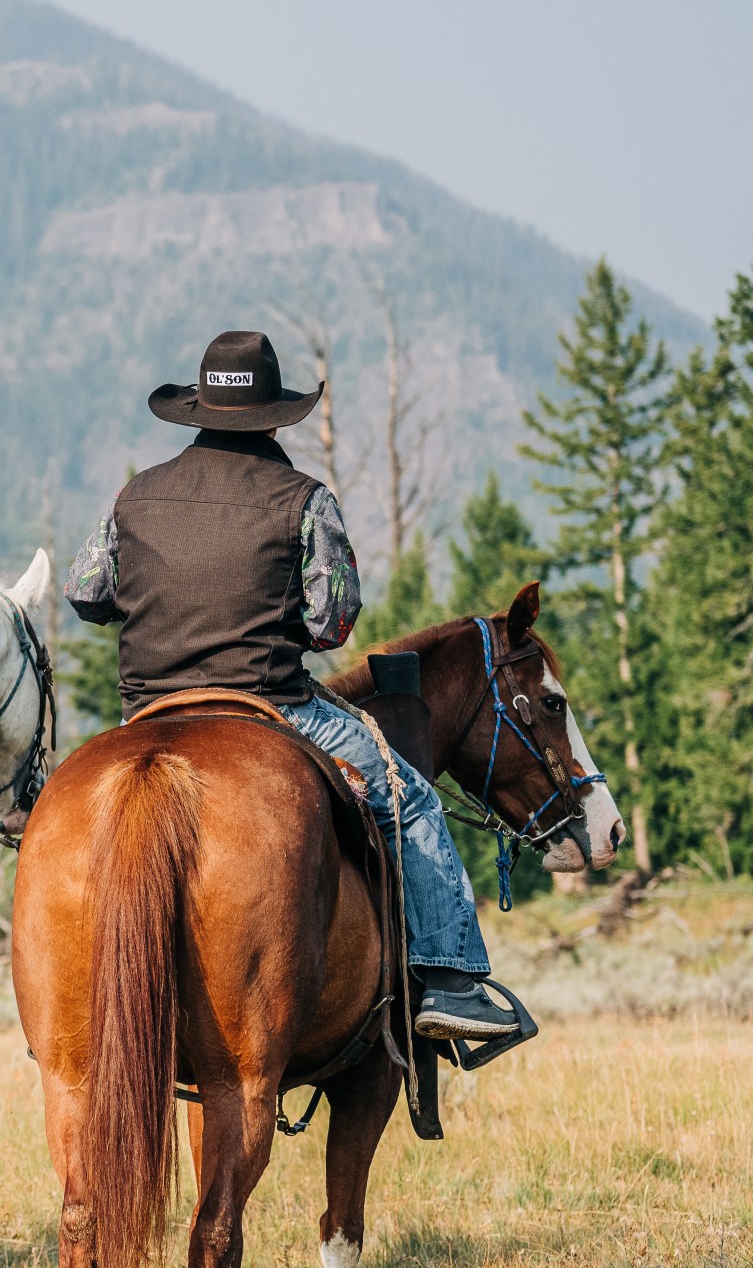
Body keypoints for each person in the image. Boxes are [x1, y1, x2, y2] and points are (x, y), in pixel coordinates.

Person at [61, 329, 523, 1042]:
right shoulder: (304, 500)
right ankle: (450, 979)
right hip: (271, 707)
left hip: (146, 712)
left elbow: (86, 594)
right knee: (412, 800)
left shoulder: (135, 495)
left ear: (198, 409)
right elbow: (333, 622)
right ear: (275, 417)